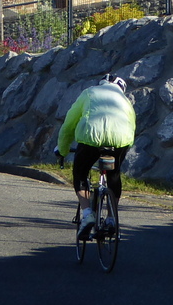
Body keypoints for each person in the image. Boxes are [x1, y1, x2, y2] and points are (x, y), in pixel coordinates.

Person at [55, 75, 135, 240]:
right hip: (120, 141)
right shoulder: (125, 100)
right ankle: (112, 219)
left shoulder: (90, 92)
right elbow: (132, 125)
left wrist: (62, 150)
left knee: (81, 173)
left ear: (102, 83)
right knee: (114, 174)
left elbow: (69, 124)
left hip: (91, 139)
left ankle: (87, 214)